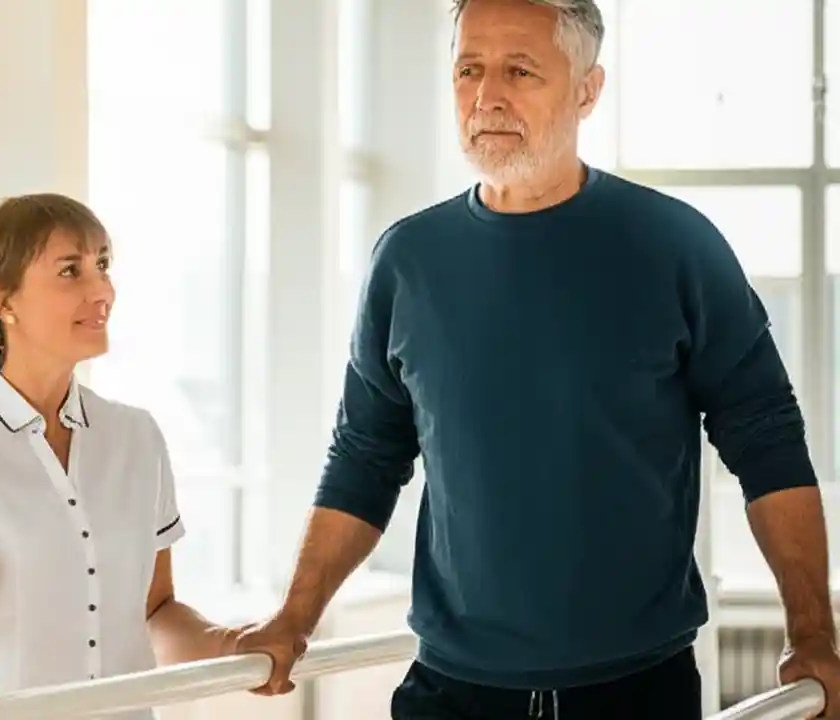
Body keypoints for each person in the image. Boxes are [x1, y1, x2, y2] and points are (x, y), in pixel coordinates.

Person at [236, 0, 840, 718]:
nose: (487, 95)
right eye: (469, 69)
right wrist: (293, 620)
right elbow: (365, 457)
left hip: (634, 693)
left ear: (587, 89)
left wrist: (813, 634)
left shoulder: (675, 247)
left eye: (519, 70)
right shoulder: (407, 262)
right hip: (451, 693)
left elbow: (767, 442)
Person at [0, 194, 240, 720]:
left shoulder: (136, 437)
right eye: (70, 271)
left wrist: (235, 643)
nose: (103, 290)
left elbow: (155, 610)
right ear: (1, 302)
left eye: (103, 264)